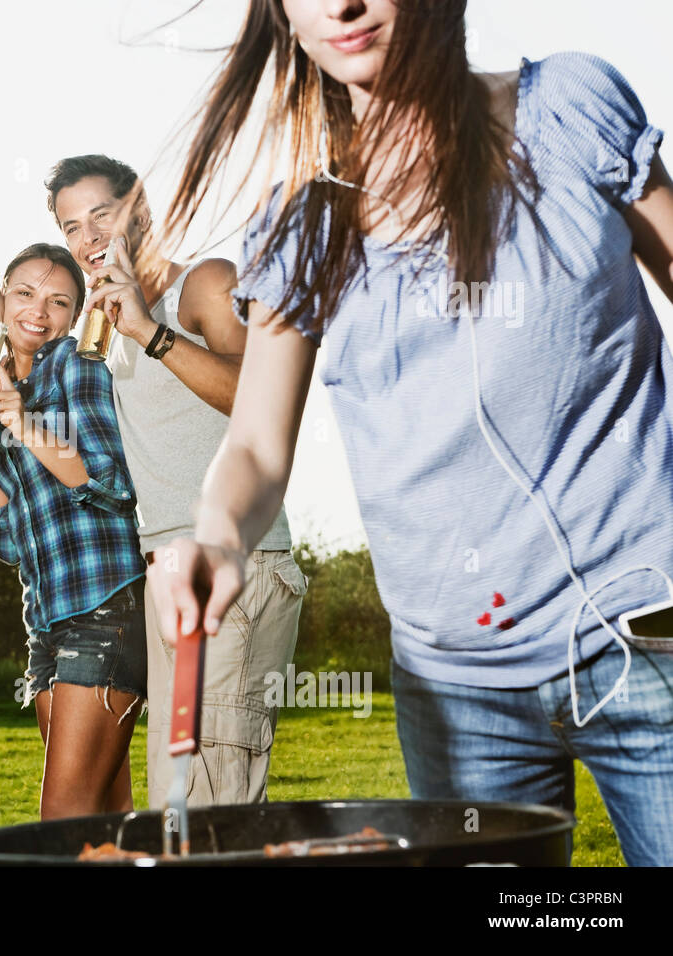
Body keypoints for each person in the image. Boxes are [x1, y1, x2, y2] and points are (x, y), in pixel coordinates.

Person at [149, 0, 673, 866]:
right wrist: (214, 538)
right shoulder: (302, 219)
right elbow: (255, 446)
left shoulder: (570, 107)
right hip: (455, 685)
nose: (343, 4)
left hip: (644, 628)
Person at [45, 153, 306, 808]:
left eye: (100, 214)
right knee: (178, 807)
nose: (88, 238)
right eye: (72, 226)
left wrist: (152, 332)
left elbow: (262, 393)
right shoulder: (110, 324)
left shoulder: (202, 284)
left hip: (234, 564)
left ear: (141, 206)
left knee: (210, 807)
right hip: (169, 574)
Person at [0, 156, 148, 821]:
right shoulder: (4, 393)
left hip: (105, 607)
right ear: (4, 300)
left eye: (60, 300)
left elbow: (106, 476)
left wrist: (20, 422)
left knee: (59, 820)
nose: (41, 309)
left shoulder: (75, 367)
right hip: (48, 621)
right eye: (24, 293)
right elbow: (0, 535)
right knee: (99, 819)